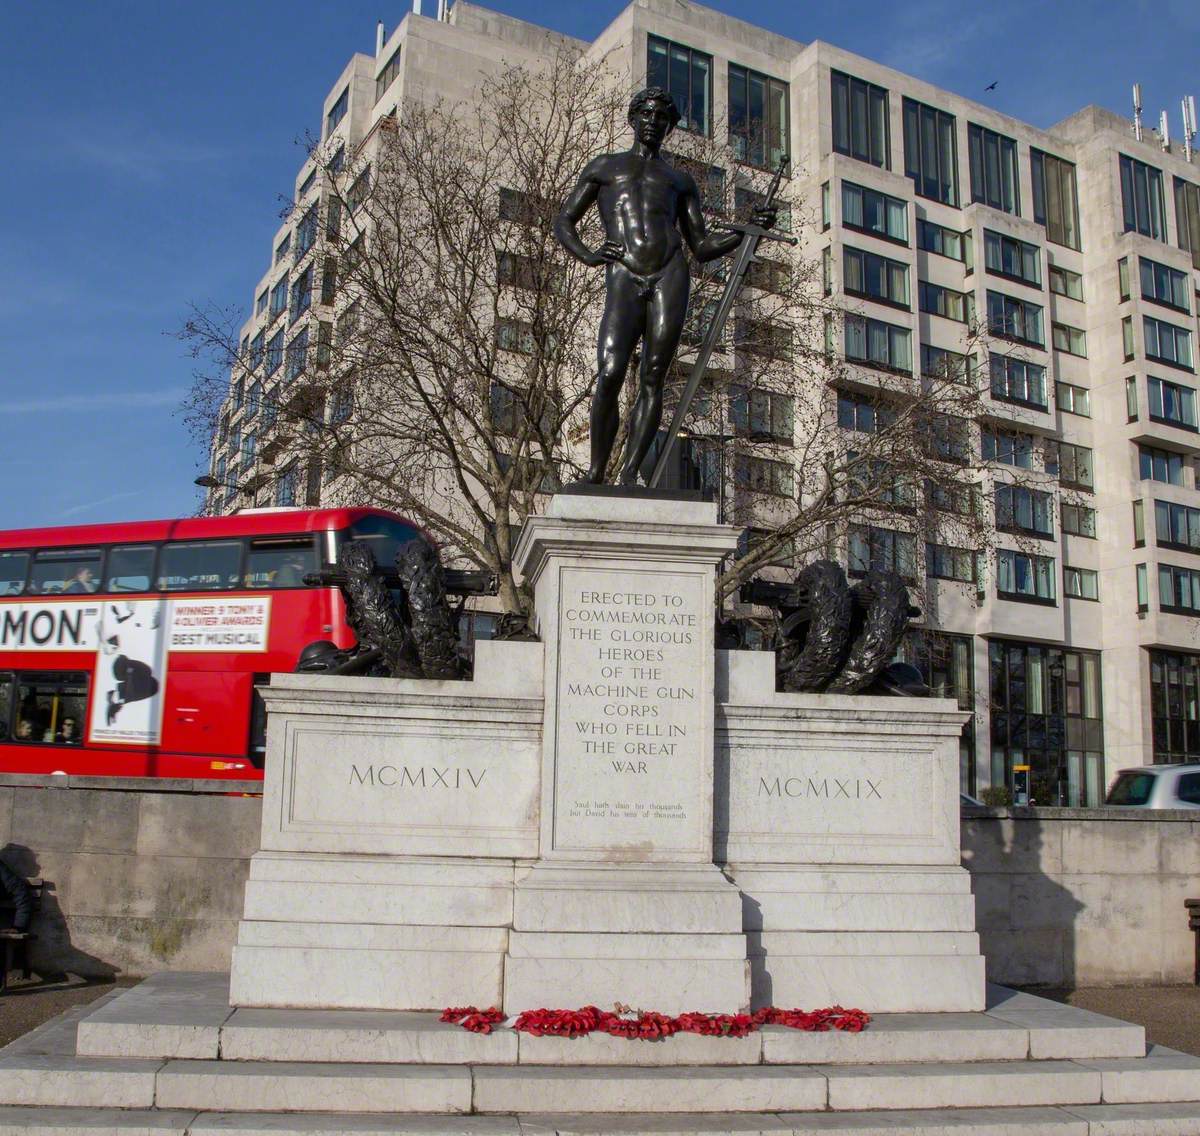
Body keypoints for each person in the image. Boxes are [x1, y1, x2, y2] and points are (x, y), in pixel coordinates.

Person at [554, 87, 776, 486]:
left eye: (662, 118)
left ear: (670, 126)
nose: (654, 123)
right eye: (648, 114)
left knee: (654, 375)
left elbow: (703, 246)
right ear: (634, 118)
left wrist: (749, 228)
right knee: (610, 371)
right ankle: (596, 470)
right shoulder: (605, 167)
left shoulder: (678, 179)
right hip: (623, 271)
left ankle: (629, 475)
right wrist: (587, 254)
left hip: (670, 273)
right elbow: (563, 221)